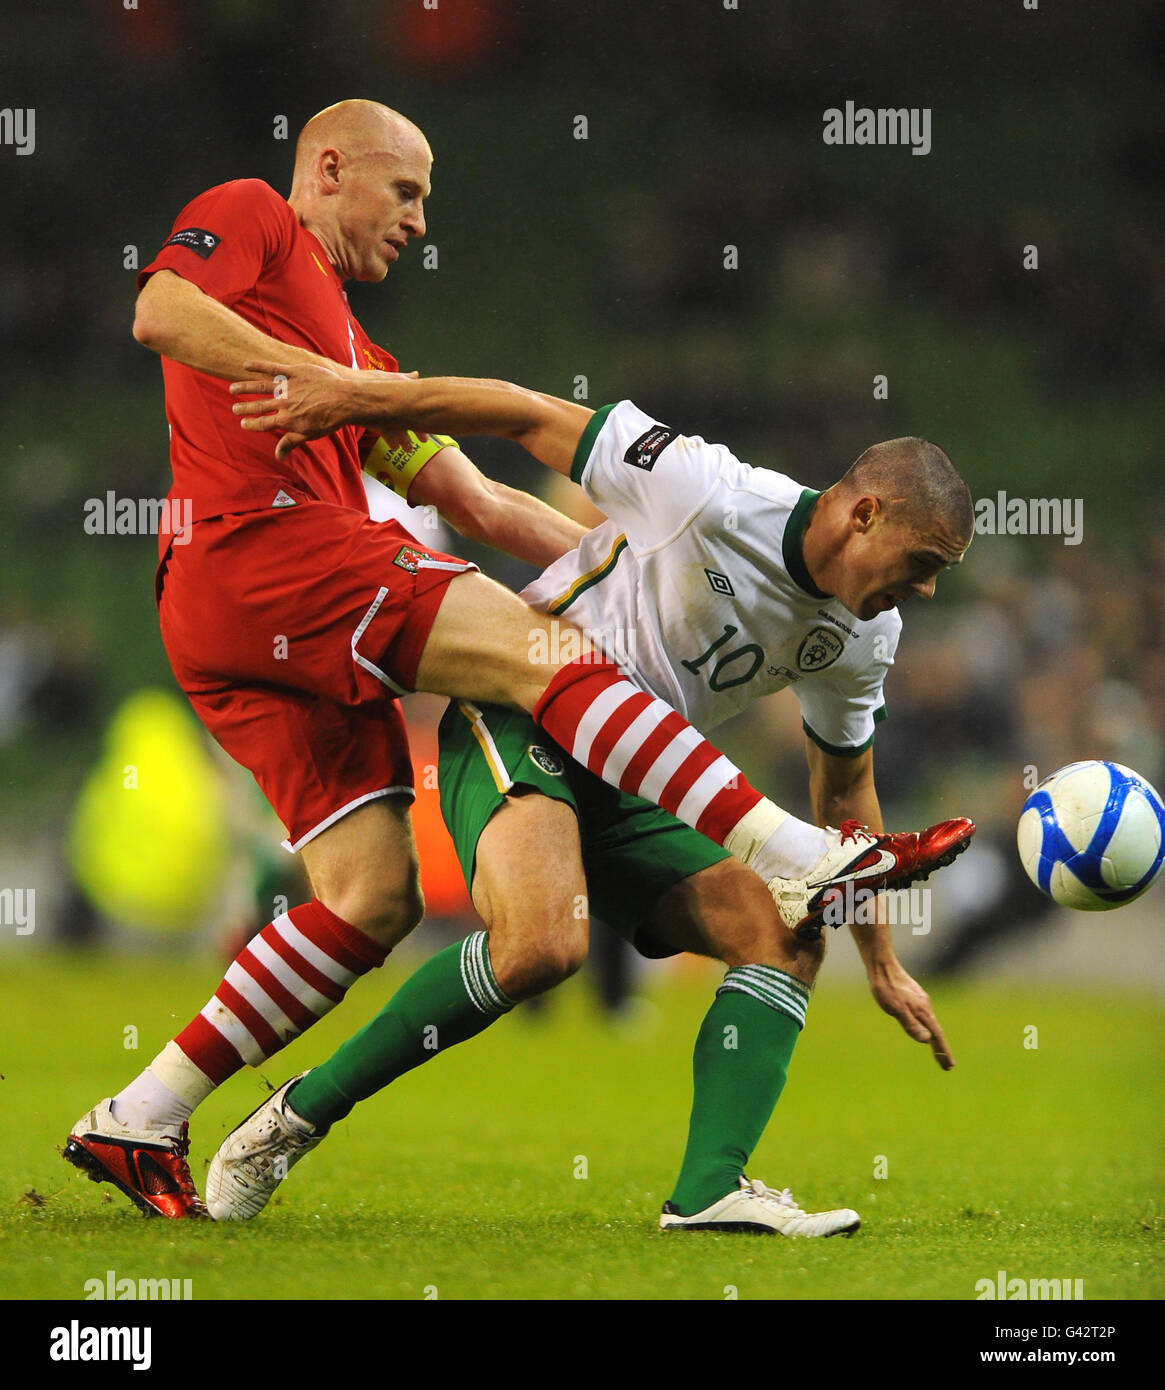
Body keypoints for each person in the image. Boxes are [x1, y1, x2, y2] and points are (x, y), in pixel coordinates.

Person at [65, 102, 966, 1220]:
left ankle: (142, 1113)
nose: (421, 219)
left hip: (258, 636)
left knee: (370, 900)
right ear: (330, 166)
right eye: (408, 192)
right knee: (548, 654)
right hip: (261, 553)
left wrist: (634, 560)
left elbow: (482, 498)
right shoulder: (253, 220)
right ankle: (789, 848)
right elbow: (158, 308)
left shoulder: (363, 352)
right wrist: (304, 377)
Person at [204, 361, 976, 1234]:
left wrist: (879, 959)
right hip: (519, 706)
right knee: (541, 947)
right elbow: (525, 413)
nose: (924, 589)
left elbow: (845, 788)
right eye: (922, 562)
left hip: (638, 777)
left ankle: (709, 1192)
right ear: (863, 511)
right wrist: (358, 399)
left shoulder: (863, 634)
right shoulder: (709, 490)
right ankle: (291, 1120)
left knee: (780, 934)